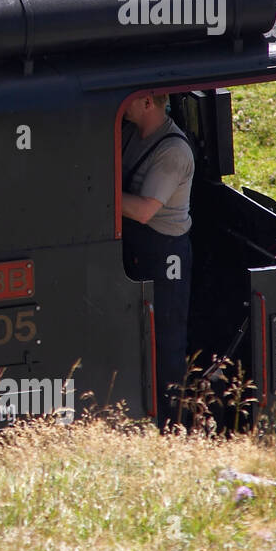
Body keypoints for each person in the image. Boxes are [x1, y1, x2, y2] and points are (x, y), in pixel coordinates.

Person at [120, 91, 195, 428]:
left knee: (165, 339)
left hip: (165, 253)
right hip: (140, 246)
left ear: (148, 103)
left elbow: (144, 209)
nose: (125, 104)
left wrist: (92, 190)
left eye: (131, 98)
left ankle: (172, 423)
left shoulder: (173, 151)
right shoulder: (130, 133)